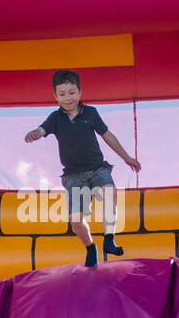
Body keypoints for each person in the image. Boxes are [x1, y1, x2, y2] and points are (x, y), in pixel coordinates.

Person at [24, 69, 141, 266]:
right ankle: (90, 247)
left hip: (97, 168)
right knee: (76, 221)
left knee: (110, 191)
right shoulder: (55, 118)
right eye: (62, 94)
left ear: (80, 92)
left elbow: (108, 136)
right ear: (55, 95)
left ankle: (109, 239)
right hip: (73, 176)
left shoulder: (90, 113)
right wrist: (35, 133)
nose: (67, 98)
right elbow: (42, 129)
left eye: (71, 93)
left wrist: (127, 157)